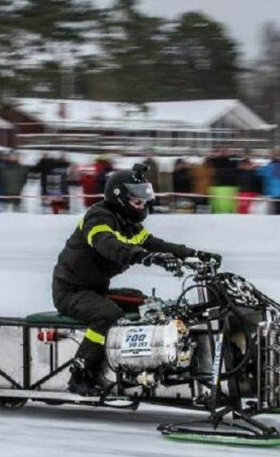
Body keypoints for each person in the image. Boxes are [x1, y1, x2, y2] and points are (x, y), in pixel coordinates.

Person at [52, 164, 221, 396]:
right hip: (70, 292)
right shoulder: (98, 218)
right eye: (137, 201)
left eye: (144, 201)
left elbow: (157, 244)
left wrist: (194, 254)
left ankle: (139, 367)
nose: (142, 206)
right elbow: (108, 245)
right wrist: (145, 257)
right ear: (119, 198)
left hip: (96, 290)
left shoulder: (130, 225)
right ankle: (80, 374)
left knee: (147, 306)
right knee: (107, 315)